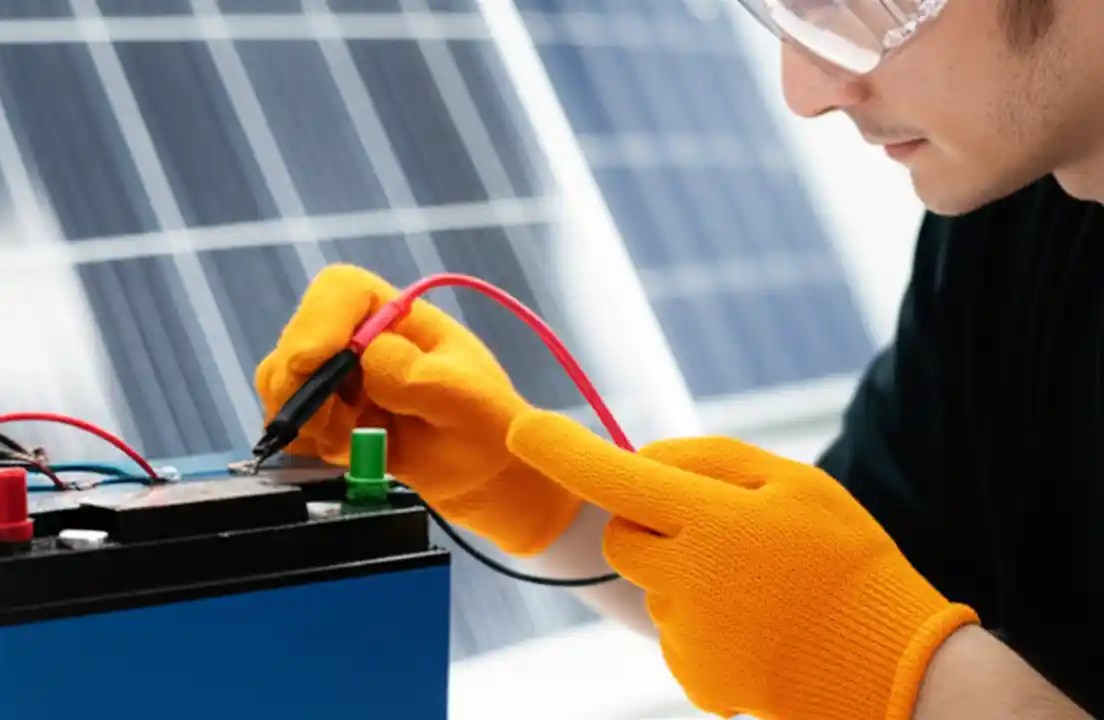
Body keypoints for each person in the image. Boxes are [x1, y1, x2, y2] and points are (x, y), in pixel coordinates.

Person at [255, 0, 1102, 717]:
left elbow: (860, 630)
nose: (804, 91)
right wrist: (525, 484)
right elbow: (786, 599)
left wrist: (898, 672)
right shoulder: (1008, 226)